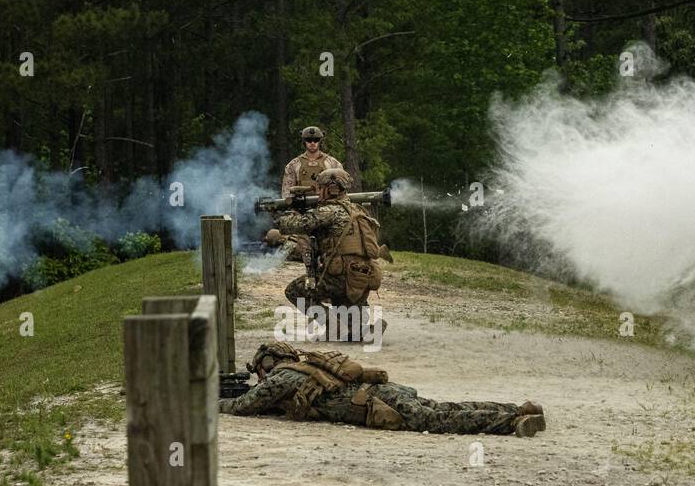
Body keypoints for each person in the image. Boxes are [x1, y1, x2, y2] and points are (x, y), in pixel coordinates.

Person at [219, 342, 547, 437]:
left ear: (268, 363)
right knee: (443, 407)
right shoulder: (306, 365)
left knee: (437, 422)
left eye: (260, 369)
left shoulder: (281, 377)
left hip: (373, 405)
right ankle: (516, 408)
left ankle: (512, 423)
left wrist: (213, 401)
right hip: (381, 391)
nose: (261, 376)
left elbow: (243, 406)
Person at [271, 168, 386, 332]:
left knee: (294, 290)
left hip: (340, 279)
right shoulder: (358, 210)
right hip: (362, 277)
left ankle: (334, 326)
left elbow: (291, 225)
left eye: (320, 187)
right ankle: (355, 328)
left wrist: (290, 209)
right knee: (352, 330)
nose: (318, 192)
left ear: (330, 189)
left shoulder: (329, 211)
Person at [281, 126, 344, 197]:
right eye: (309, 140)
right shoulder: (294, 164)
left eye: (316, 140)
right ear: (304, 141)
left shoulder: (332, 163)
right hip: (301, 205)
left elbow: (342, 188)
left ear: (320, 141)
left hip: (328, 204)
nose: (312, 143)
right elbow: (287, 192)